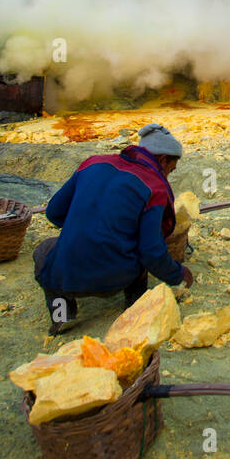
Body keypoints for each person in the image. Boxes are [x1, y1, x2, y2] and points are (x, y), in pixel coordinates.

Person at [33, 123, 194, 335]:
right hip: (115, 280)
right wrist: (178, 274)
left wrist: (88, 221)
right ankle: (135, 307)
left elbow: (54, 212)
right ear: (163, 160)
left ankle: (62, 315)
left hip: (65, 276)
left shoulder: (91, 163)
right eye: (170, 171)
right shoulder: (153, 186)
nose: (167, 178)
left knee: (45, 250)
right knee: (140, 246)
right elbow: (151, 251)